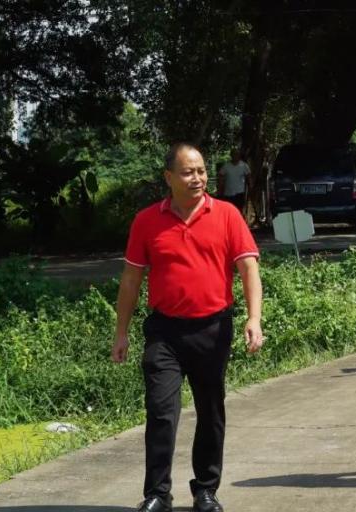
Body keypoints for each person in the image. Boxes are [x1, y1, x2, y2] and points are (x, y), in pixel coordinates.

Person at [111, 143, 263, 512]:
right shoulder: (147, 220)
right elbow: (131, 280)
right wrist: (122, 331)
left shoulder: (227, 214)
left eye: (201, 171)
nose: (197, 178)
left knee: (210, 410)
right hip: (164, 332)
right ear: (169, 178)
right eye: (187, 172)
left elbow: (248, 269)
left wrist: (253, 318)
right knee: (161, 410)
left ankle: (206, 490)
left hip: (213, 329)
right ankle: (157, 494)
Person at [217, 149, 250, 213]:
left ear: (239, 156)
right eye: (234, 154)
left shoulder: (244, 166)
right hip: (228, 193)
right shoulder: (226, 166)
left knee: (239, 211)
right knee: (229, 211)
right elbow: (220, 177)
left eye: (237, 154)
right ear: (231, 156)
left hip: (240, 193)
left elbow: (248, 178)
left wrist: (250, 191)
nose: (235, 156)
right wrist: (220, 190)